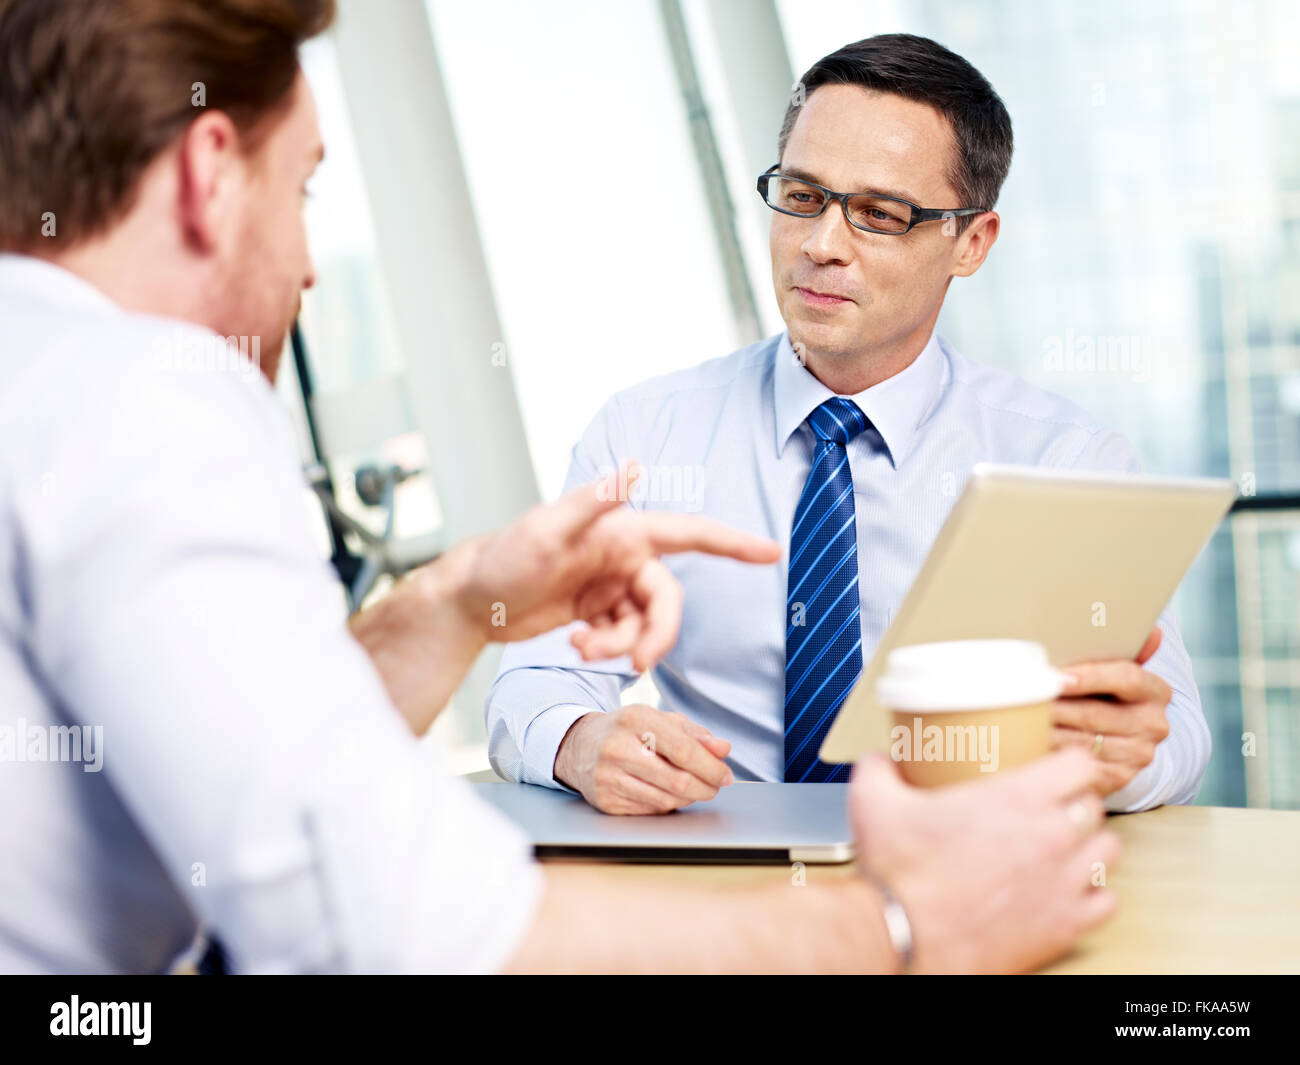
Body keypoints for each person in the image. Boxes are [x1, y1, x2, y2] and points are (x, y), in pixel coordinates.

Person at [0, 0, 1118, 974]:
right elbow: (377, 928)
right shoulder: (140, 402)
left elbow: (254, 759)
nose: (304, 263)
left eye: (877, 213)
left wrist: (452, 603)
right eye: (304, 188)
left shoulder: (51, 380)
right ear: (206, 173)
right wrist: (900, 931)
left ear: (970, 242)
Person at [487, 33, 1208, 816]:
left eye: (879, 214)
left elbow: (1177, 736)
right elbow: (534, 678)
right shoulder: (645, 434)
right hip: (722, 888)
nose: (822, 245)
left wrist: (1117, 754)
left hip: (972, 872)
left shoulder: (1066, 461)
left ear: (970, 241)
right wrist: (581, 742)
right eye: (802, 197)